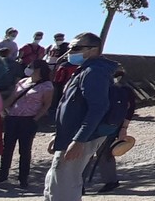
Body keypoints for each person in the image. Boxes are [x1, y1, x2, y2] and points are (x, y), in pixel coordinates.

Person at [43, 32, 117, 201]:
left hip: (80, 138)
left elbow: (99, 108)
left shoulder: (94, 71)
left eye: (76, 48)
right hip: (70, 136)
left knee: (64, 185)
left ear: (93, 50)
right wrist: (59, 134)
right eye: (70, 47)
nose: (70, 51)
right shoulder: (84, 70)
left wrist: (79, 140)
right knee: (55, 180)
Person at [0, 59, 53, 188]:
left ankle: (23, 178)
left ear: (38, 69)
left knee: (25, 150)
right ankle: (2, 175)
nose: (28, 68)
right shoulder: (22, 82)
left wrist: (35, 118)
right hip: (13, 117)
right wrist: (2, 110)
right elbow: (12, 98)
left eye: (30, 66)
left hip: (28, 120)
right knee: (7, 148)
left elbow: (46, 104)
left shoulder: (47, 86)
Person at [84, 66, 135, 194]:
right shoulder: (126, 90)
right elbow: (130, 110)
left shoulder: (98, 87)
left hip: (93, 125)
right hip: (112, 126)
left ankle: (79, 184)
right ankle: (110, 181)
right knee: (106, 154)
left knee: (86, 154)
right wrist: (123, 128)